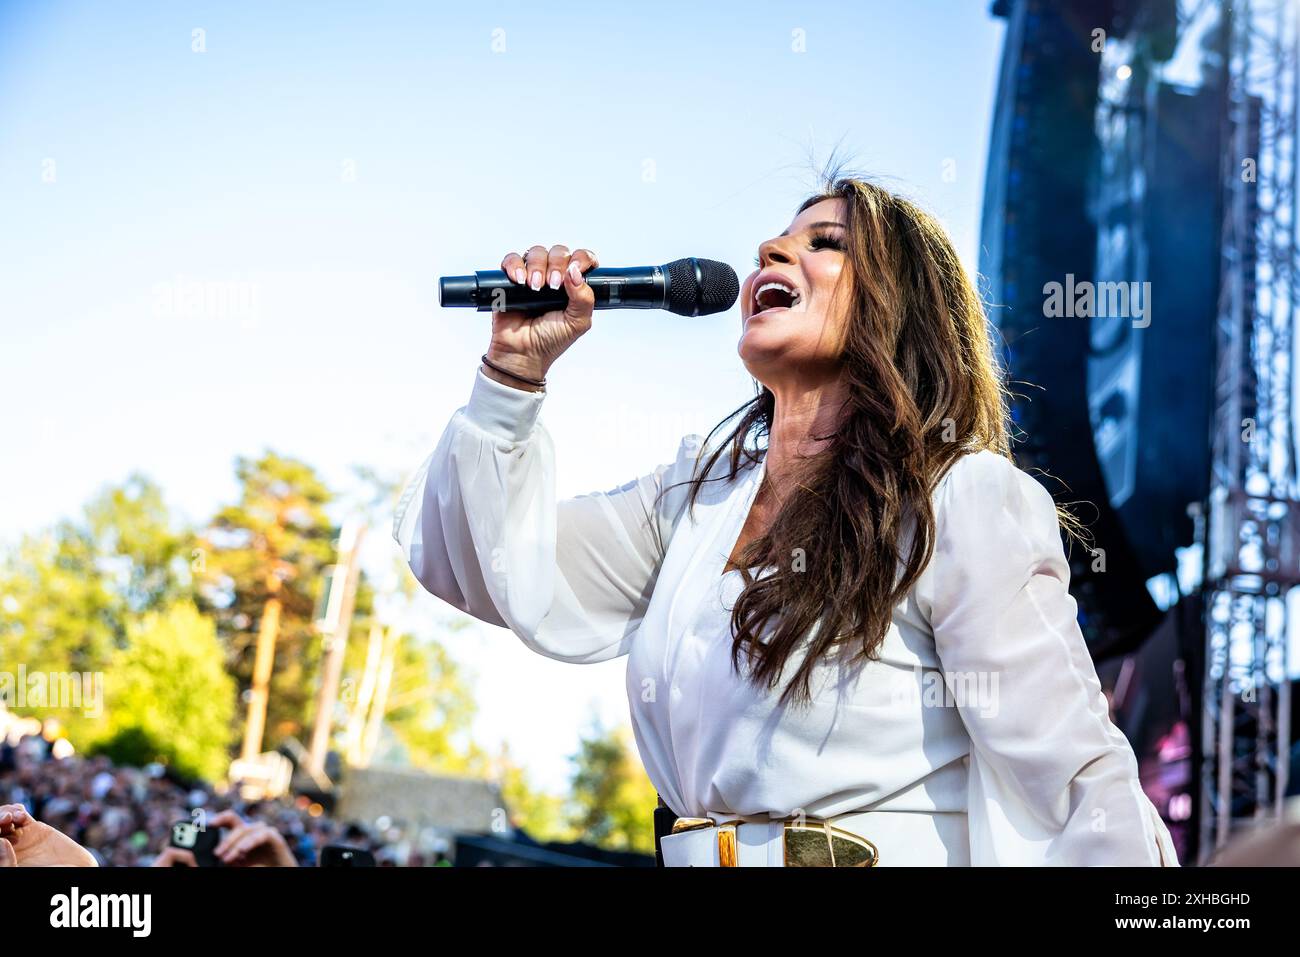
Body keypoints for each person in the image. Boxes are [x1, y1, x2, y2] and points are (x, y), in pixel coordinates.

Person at [394, 173, 1179, 867]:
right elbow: (491, 567)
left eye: (824, 243)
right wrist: (513, 374)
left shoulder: (961, 498)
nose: (772, 247)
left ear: (899, 302)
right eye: (778, 237)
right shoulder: (693, 499)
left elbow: (1075, 776)